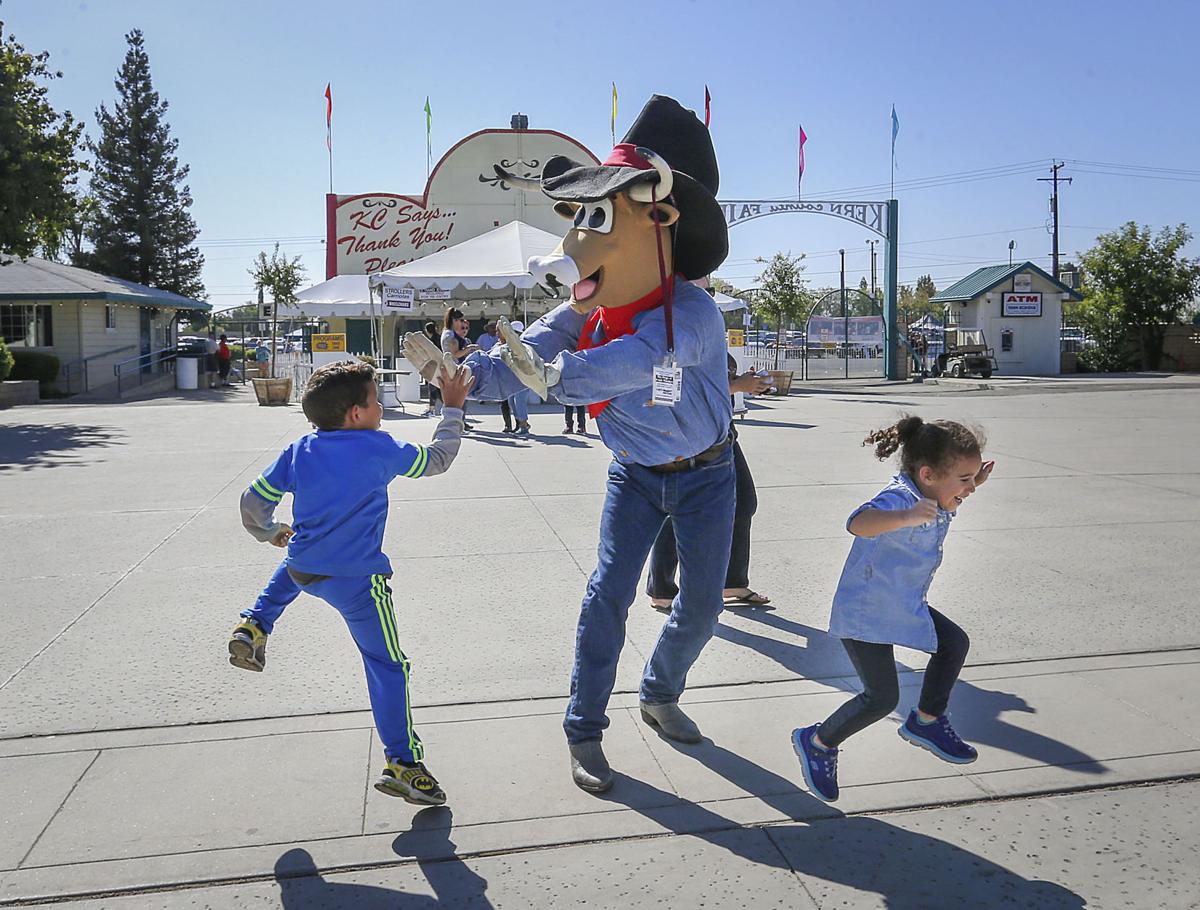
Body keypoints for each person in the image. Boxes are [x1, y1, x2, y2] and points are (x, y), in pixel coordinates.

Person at [403, 95, 733, 794]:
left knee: (702, 607)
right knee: (606, 597)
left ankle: (660, 692)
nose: (577, 241)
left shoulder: (691, 313)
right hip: (635, 475)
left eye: (600, 221)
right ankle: (584, 730)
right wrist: (463, 376)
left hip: (709, 474)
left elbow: (635, 362)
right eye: (580, 219)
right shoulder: (583, 309)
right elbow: (523, 355)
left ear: (659, 223)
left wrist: (554, 377)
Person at [227, 358, 475, 806]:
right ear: (356, 414)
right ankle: (403, 763)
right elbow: (436, 460)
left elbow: (252, 501)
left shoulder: (300, 449)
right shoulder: (378, 447)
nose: (381, 409)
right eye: (376, 402)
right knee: (388, 666)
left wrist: (269, 530)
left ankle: (255, 623)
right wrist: (453, 409)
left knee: (299, 553)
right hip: (358, 582)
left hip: (306, 569)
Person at [791, 415, 995, 803]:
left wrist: (970, 484)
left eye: (973, 479)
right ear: (927, 474)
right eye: (965, 479)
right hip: (865, 614)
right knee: (881, 698)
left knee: (953, 643)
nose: (970, 488)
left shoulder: (935, 493)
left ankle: (927, 720)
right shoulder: (901, 499)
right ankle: (817, 742)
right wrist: (904, 517)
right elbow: (858, 523)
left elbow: (948, 495)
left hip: (903, 605)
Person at [646, 355, 771, 609]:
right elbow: (674, 387)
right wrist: (736, 385)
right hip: (688, 435)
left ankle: (732, 581)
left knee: (743, 502)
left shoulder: (713, 341)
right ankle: (662, 589)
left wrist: (747, 382)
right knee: (676, 509)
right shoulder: (679, 339)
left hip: (721, 432)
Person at [440, 309, 479, 430]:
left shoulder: (447, 333)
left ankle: (458, 422)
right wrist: (469, 348)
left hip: (452, 368)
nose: (462, 323)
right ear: (454, 320)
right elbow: (455, 354)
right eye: (461, 320)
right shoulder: (450, 335)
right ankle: (457, 423)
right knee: (460, 399)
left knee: (456, 399)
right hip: (454, 368)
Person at [505, 321, 532, 436]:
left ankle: (524, 426)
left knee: (519, 401)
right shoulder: (510, 343)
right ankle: (522, 423)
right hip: (514, 377)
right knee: (512, 402)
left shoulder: (524, 344)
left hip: (524, 377)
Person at [421, 322, 442, 418]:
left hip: (433, 367)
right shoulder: (440, 338)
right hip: (440, 366)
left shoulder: (431, 341)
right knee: (439, 388)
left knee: (432, 388)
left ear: (427, 331)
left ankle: (431, 409)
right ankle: (442, 407)